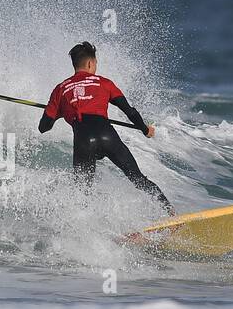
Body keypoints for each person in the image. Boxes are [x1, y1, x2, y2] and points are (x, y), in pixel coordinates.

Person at [39, 42, 174, 215]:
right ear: (90, 63)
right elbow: (130, 112)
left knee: (82, 191)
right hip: (107, 135)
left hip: (83, 140)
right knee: (138, 178)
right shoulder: (104, 83)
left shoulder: (60, 89)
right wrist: (145, 129)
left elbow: (43, 127)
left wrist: (59, 113)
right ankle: (171, 213)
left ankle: (85, 226)